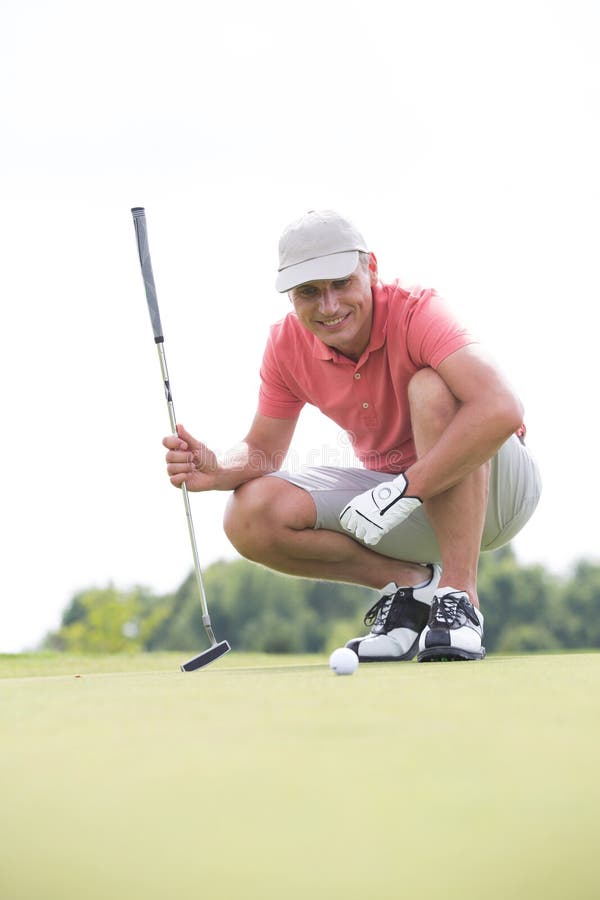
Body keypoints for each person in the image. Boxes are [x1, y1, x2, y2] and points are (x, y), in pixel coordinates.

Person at [163, 209, 541, 662]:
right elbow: (264, 450)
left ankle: (459, 599)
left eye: (341, 283)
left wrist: (406, 488)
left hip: (500, 489)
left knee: (431, 388)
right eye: (309, 292)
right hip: (401, 505)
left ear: (371, 269)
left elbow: (501, 408)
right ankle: (413, 588)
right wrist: (218, 468)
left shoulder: (417, 312)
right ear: (291, 297)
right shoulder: (286, 346)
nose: (328, 306)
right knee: (249, 513)